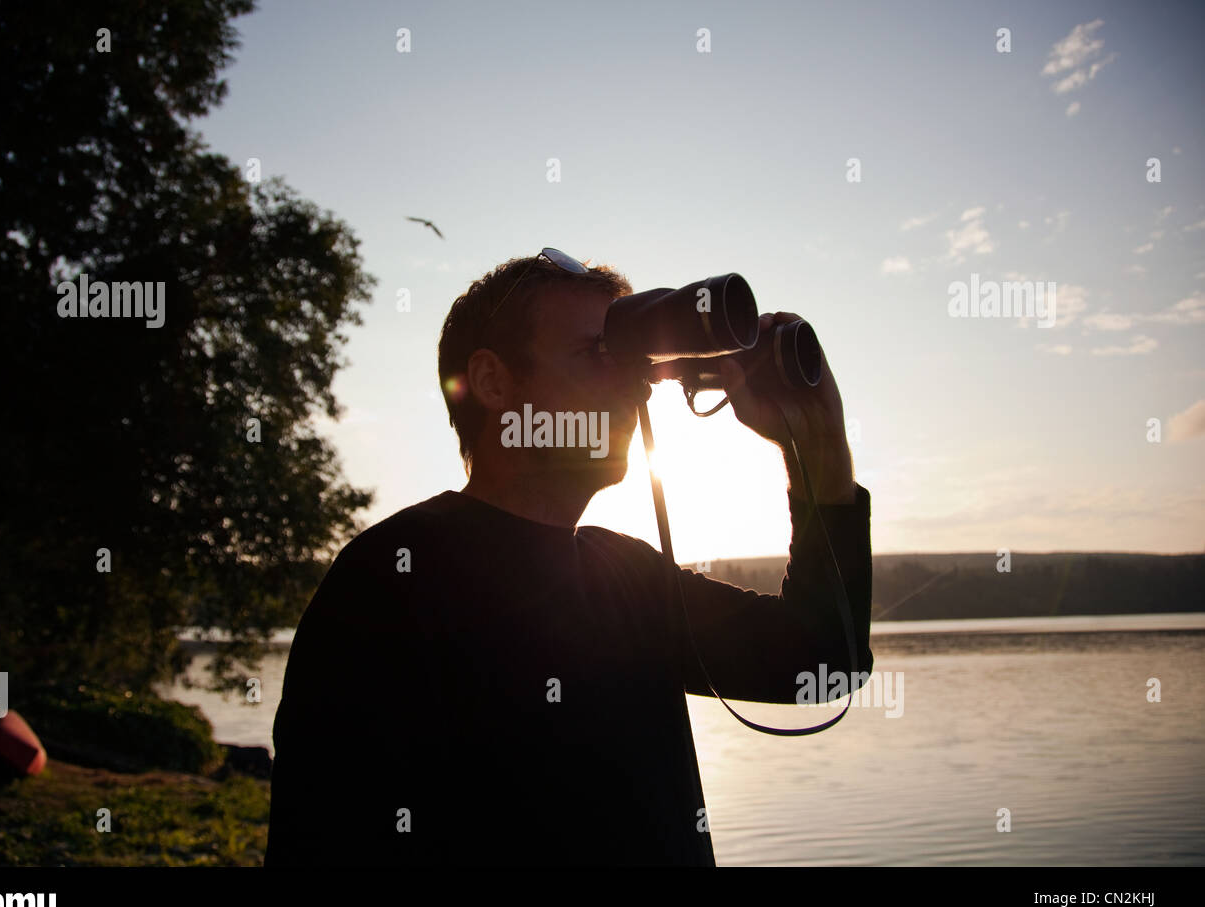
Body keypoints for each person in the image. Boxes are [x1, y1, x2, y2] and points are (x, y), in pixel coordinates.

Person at [265, 251, 873, 866]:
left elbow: (823, 657)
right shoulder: (391, 577)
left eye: (633, 358)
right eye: (597, 353)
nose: (633, 384)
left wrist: (818, 444)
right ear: (494, 381)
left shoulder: (626, 574)